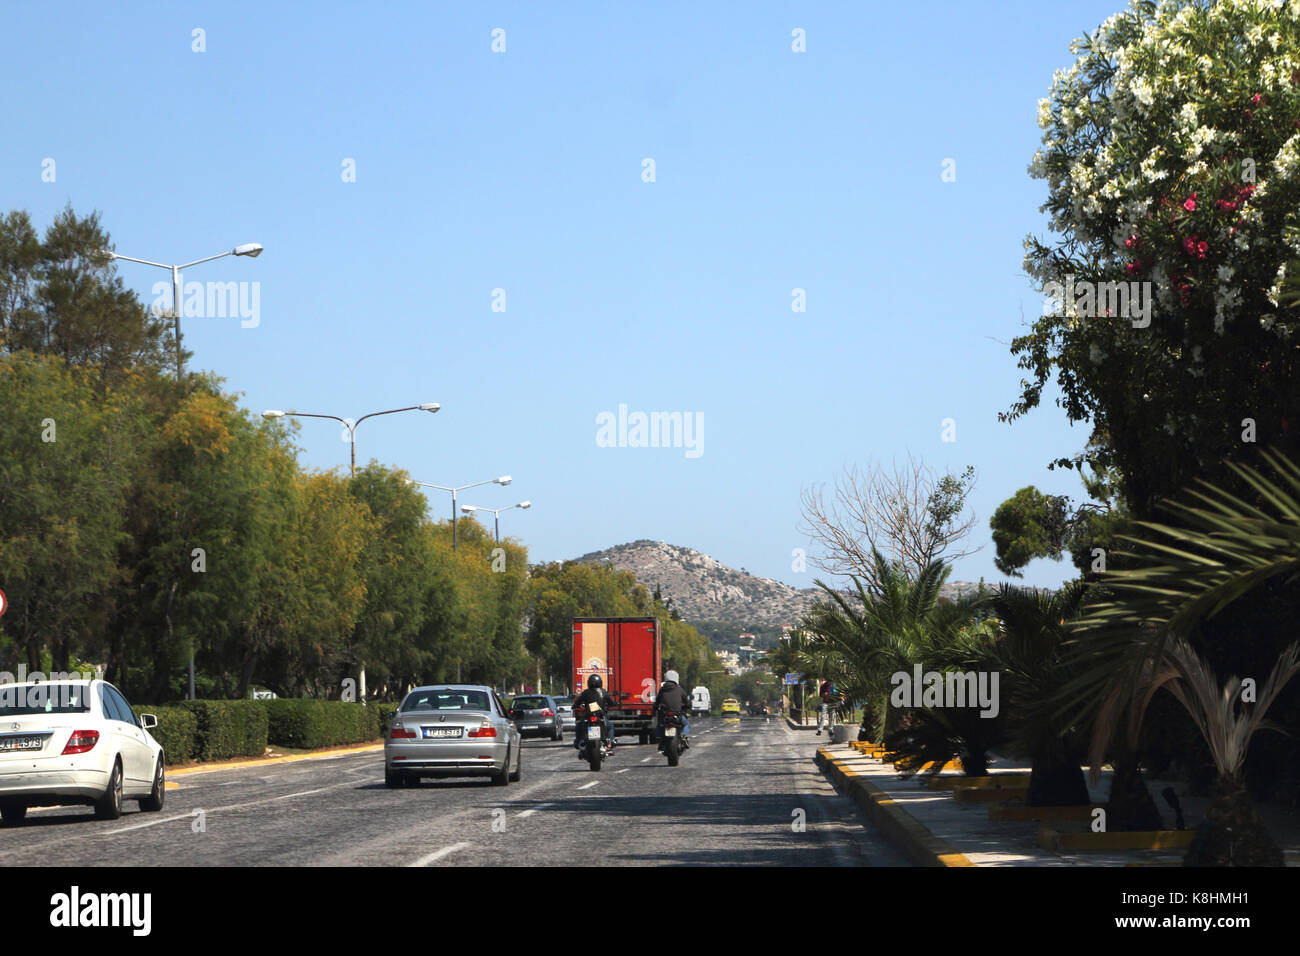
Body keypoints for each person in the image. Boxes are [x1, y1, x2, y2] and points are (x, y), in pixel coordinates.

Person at [572, 674, 615, 756]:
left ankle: (579, 741)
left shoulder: (586, 692)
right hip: (600, 716)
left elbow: (577, 702)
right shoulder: (603, 692)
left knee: (579, 726)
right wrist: (613, 704)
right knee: (610, 726)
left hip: (588, 716)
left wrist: (574, 706)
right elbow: (611, 702)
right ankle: (610, 743)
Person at [654, 669, 691, 748]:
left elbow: (657, 701)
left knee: (659, 724)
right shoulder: (680, 689)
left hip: (665, 715)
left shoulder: (662, 690)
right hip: (678, 715)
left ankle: (660, 739)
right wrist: (688, 706)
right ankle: (684, 736)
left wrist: (655, 707)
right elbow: (687, 702)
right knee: (686, 724)